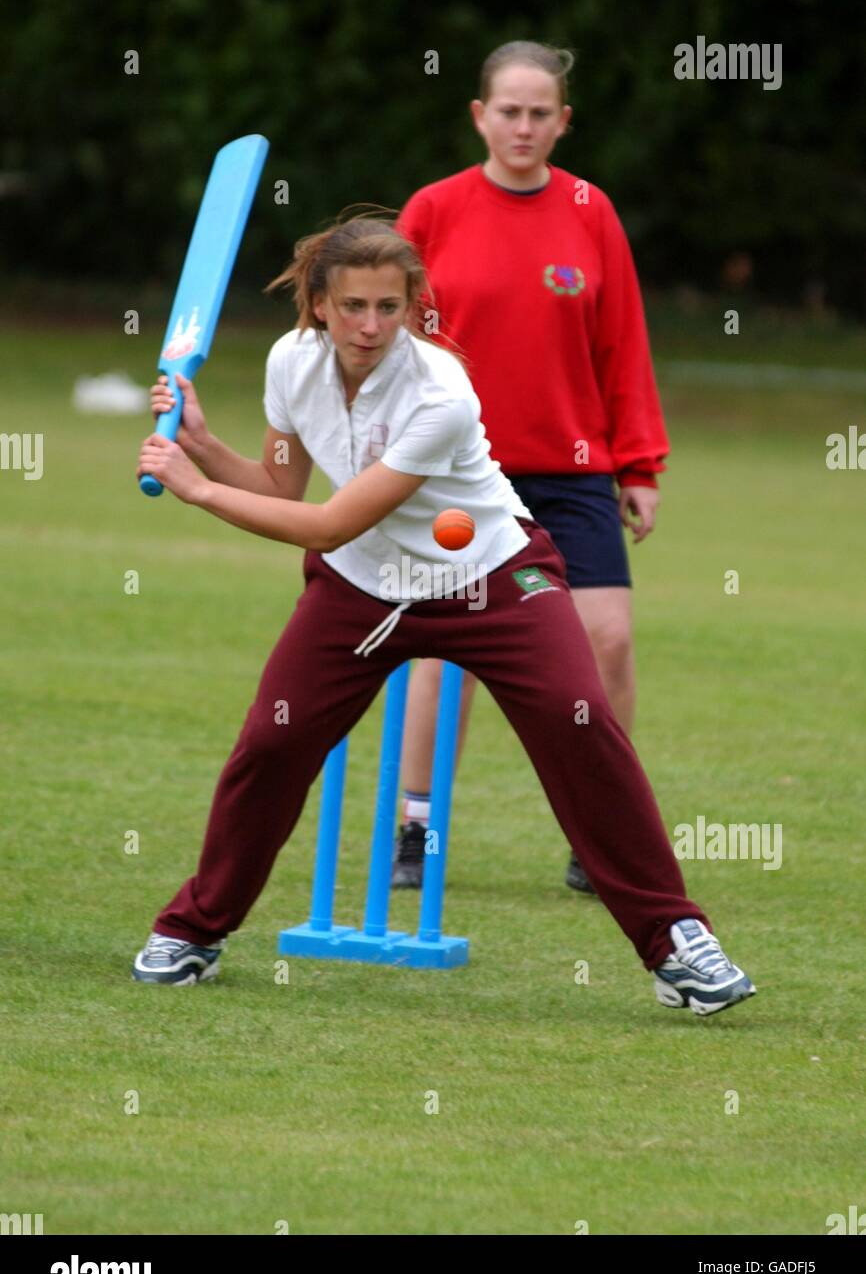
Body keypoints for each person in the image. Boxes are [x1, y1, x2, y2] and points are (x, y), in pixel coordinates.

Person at [131, 213, 755, 1018]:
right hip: (362, 589)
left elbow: (328, 522)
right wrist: (210, 449)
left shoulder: (440, 389)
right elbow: (284, 486)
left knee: (582, 722)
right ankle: (193, 931)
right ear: (319, 303)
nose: (369, 326)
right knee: (273, 742)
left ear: (412, 304)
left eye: (389, 307)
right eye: (353, 306)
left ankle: (676, 941)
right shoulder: (291, 363)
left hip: (490, 577)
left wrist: (195, 489)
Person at [391, 41, 666, 898]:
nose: (522, 125)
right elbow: (384, 336)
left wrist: (640, 461)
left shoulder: (590, 210)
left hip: (575, 470)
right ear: (479, 115)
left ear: (563, 122)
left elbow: (622, 341)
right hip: (458, 474)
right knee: (449, 652)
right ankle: (414, 830)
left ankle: (602, 836)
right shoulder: (433, 211)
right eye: (507, 110)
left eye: (539, 112)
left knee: (607, 639)